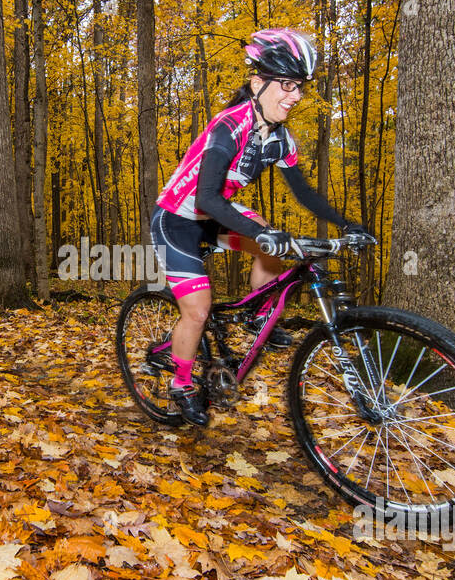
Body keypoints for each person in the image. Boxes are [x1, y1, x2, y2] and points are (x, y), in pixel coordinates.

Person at [150, 28, 370, 427]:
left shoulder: (280, 139)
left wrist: (349, 223)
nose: (295, 96)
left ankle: (257, 315)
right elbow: (207, 199)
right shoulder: (228, 126)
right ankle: (181, 385)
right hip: (177, 221)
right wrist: (259, 234)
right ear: (258, 83)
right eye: (286, 85)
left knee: (276, 240)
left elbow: (305, 194)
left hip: (214, 218)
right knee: (197, 311)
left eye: (299, 87)